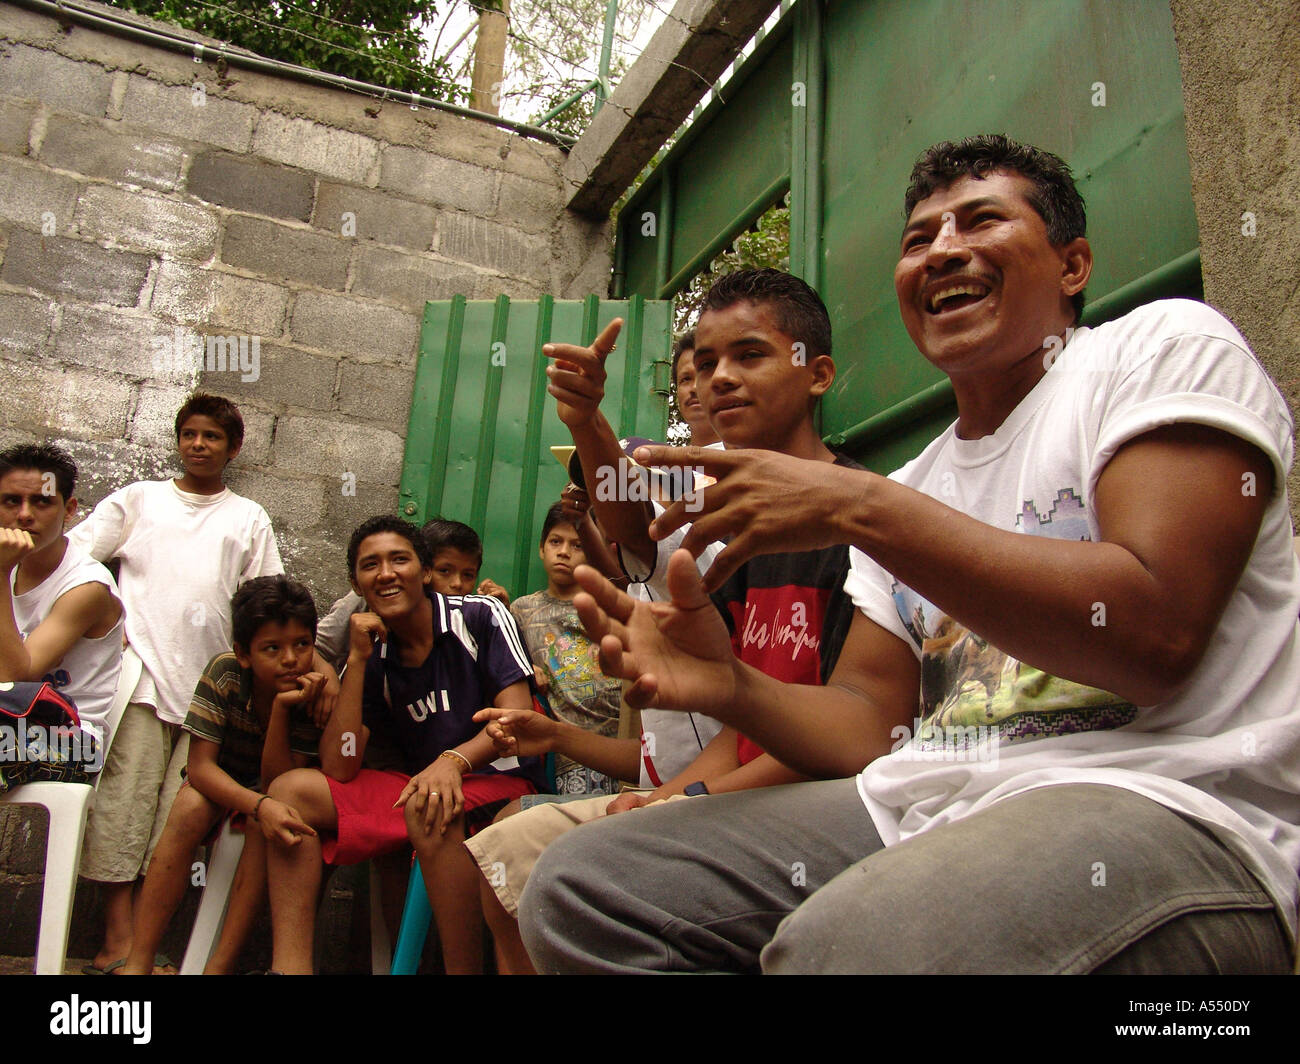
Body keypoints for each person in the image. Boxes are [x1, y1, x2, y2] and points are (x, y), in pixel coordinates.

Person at [518, 135, 1300, 974]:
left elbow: (1156, 634)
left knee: (859, 943)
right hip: (922, 802)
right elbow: (868, 723)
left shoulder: (1159, 349)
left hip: (1170, 808)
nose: (945, 250)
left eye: (982, 220)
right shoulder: (909, 482)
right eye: (919, 238)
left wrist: (865, 509)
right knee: (583, 887)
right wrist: (731, 686)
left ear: (1072, 266)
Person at [467, 269, 864, 973]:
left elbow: (843, 733)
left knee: (579, 879)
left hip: (797, 806)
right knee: (507, 852)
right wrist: (586, 420)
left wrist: (678, 802)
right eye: (703, 364)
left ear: (818, 374)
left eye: (748, 356)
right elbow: (633, 523)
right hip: (702, 773)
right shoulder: (727, 508)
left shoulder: (863, 519)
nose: (716, 380)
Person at [68, 392, 290, 975]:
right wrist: (101, 620)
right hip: (139, 678)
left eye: (212, 437)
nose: (198, 445)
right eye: (189, 434)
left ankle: (144, 945)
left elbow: (266, 600)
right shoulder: (139, 501)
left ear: (233, 448)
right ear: (178, 439)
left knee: (177, 820)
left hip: (208, 695)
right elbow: (76, 560)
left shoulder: (247, 517)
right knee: (124, 806)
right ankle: (114, 941)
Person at [264, 516, 546, 974]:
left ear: (425, 571)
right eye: (370, 565)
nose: (386, 573)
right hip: (421, 789)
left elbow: (518, 722)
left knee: (430, 800)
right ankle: (289, 967)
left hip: (499, 780)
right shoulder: (374, 653)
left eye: (400, 559)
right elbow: (340, 765)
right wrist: (355, 661)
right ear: (357, 583)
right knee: (291, 792)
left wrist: (453, 761)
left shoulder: (478, 616)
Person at [119, 576, 327, 975]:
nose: (290, 659)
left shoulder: (310, 694)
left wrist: (283, 711)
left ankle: (218, 965)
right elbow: (200, 768)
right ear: (244, 653)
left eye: (302, 644)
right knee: (188, 808)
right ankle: (139, 959)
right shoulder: (227, 673)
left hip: (278, 787)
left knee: (263, 826)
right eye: (272, 648)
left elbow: (280, 781)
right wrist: (259, 804)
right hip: (222, 778)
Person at [0, 443, 123, 780]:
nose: (25, 514)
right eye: (12, 501)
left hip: (72, 740)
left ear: (69, 509)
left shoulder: (86, 587)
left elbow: (13, 676)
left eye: (42, 502)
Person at [508, 501, 622, 800]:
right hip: (569, 751)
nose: (563, 552)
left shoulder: (609, 604)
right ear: (541, 548)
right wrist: (528, 672)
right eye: (555, 542)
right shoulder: (522, 610)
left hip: (621, 739)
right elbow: (509, 665)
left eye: (578, 545)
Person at [315, 518, 508, 671]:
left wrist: (503, 618)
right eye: (444, 571)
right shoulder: (367, 599)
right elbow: (313, 646)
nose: (457, 584)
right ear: (425, 570)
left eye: (468, 575)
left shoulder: (474, 615)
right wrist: (328, 678)